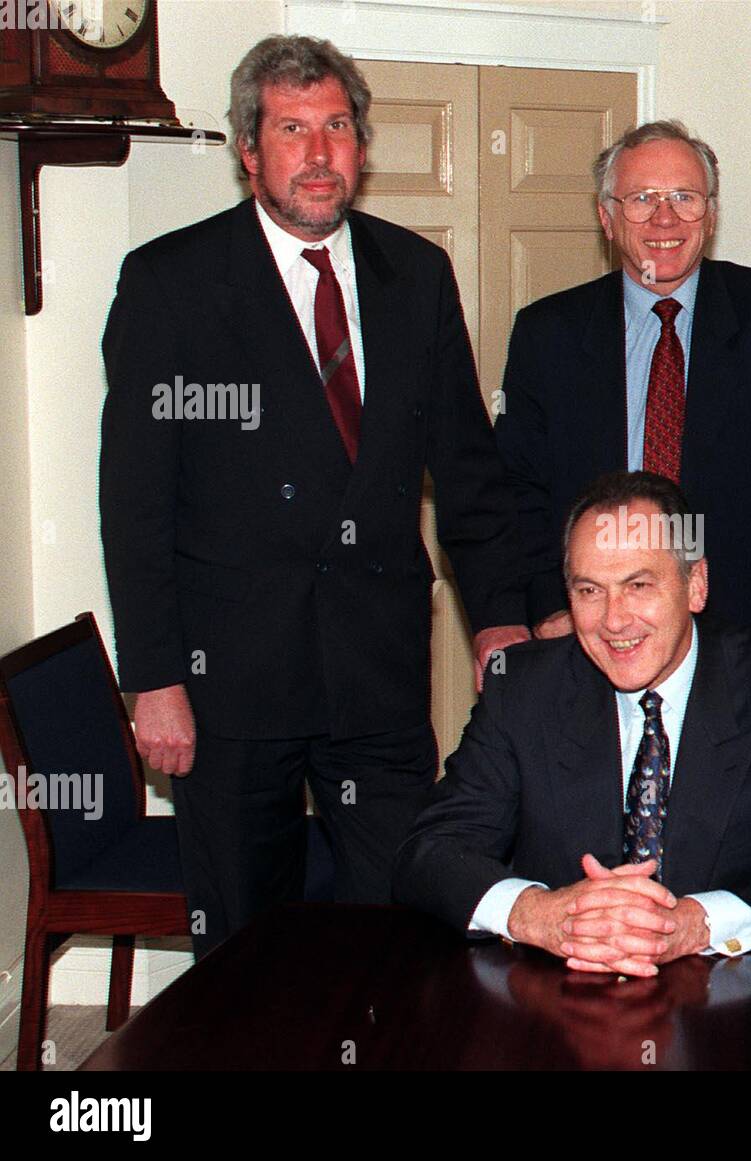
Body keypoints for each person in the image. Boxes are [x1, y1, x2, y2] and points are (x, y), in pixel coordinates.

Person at [99, 35, 529, 957]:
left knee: (403, 928)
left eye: (337, 125)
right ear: (249, 150)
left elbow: (468, 469)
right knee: (246, 949)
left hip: (375, 679)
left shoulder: (414, 276)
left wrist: (500, 617)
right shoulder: (170, 282)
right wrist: (156, 678)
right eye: (293, 129)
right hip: (228, 686)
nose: (320, 151)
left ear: (362, 146)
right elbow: (134, 502)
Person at [393, 471, 751, 976]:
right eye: (589, 590)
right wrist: (540, 915)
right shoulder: (524, 688)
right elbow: (430, 852)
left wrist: (697, 922)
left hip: (731, 1003)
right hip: (558, 1004)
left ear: (696, 585)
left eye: (639, 585)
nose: (614, 620)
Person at [493, 120, 751, 665]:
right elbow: (520, 489)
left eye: (684, 197)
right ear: (606, 218)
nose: (665, 219)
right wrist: (549, 606)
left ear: (709, 215)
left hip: (747, 633)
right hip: (595, 634)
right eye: (641, 199)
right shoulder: (548, 333)